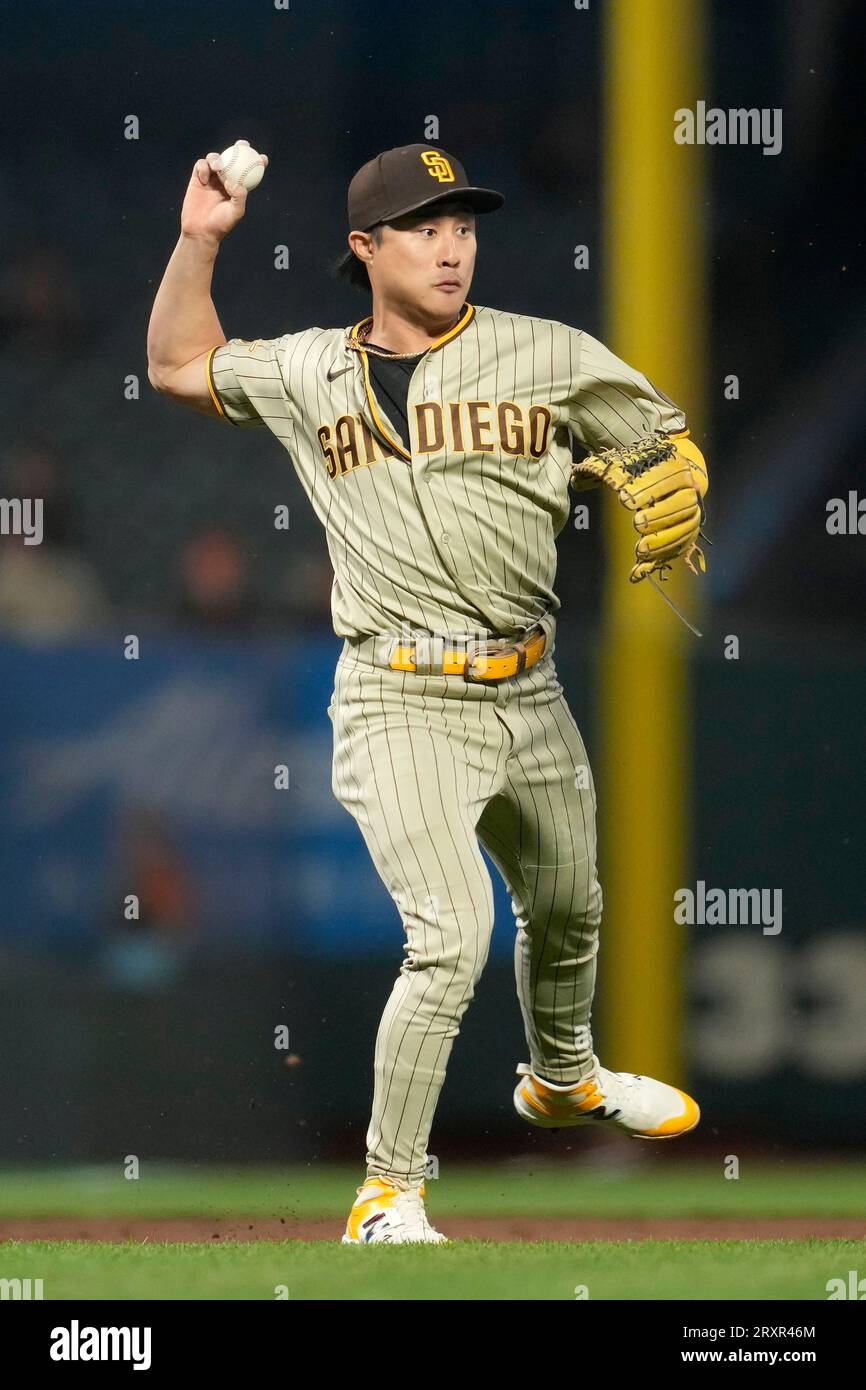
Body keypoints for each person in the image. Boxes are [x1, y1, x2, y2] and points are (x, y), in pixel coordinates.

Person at [147, 140, 704, 1246]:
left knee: (568, 909)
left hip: (529, 690)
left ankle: (561, 1077)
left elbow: (659, 441)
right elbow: (174, 364)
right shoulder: (307, 369)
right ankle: (387, 1193)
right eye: (424, 227)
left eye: (463, 226)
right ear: (366, 247)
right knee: (450, 936)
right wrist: (198, 241)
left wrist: (665, 468)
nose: (452, 247)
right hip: (398, 695)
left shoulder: (546, 352)